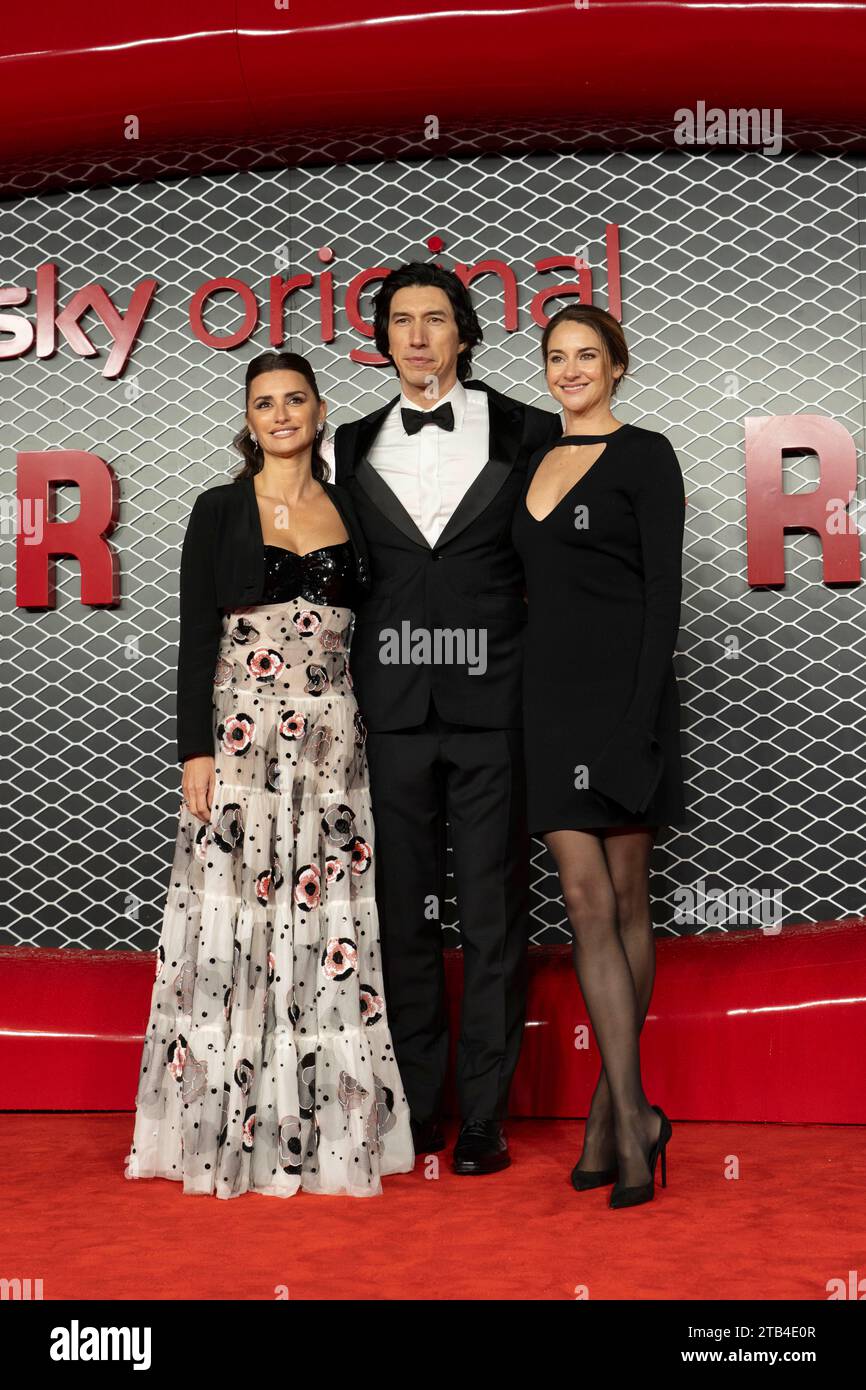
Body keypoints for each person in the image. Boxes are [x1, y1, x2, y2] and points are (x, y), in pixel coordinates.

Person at [124, 350, 414, 1198]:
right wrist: (195, 750)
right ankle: (224, 1132)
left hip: (332, 745)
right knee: (233, 928)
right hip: (242, 741)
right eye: (264, 404)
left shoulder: (353, 509)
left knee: (325, 924)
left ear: (321, 412)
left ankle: (324, 1134)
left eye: (295, 400)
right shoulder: (218, 509)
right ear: (248, 421)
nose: (281, 414)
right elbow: (191, 637)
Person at [322, 262, 561, 1174]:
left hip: (495, 703)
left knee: (494, 914)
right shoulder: (345, 444)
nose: (418, 337)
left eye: (435, 320)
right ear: (380, 342)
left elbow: (560, 572)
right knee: (401, 913)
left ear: (464, 333)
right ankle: (420, 1105)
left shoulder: (528, 430)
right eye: (400, 323)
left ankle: (487, 1118)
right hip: (390, 710)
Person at [511, 304, 685, 1208]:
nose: (570, 368)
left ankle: (612, 1120)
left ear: (617, 366)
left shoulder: (647, 454)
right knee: (585, 900)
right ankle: (633, 1114)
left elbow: (664, 598)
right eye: (556, 356)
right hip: (546, 704)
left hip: (624, 702)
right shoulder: (532, 460)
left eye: (587, 355)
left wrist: (637, 723)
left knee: (624, 902)